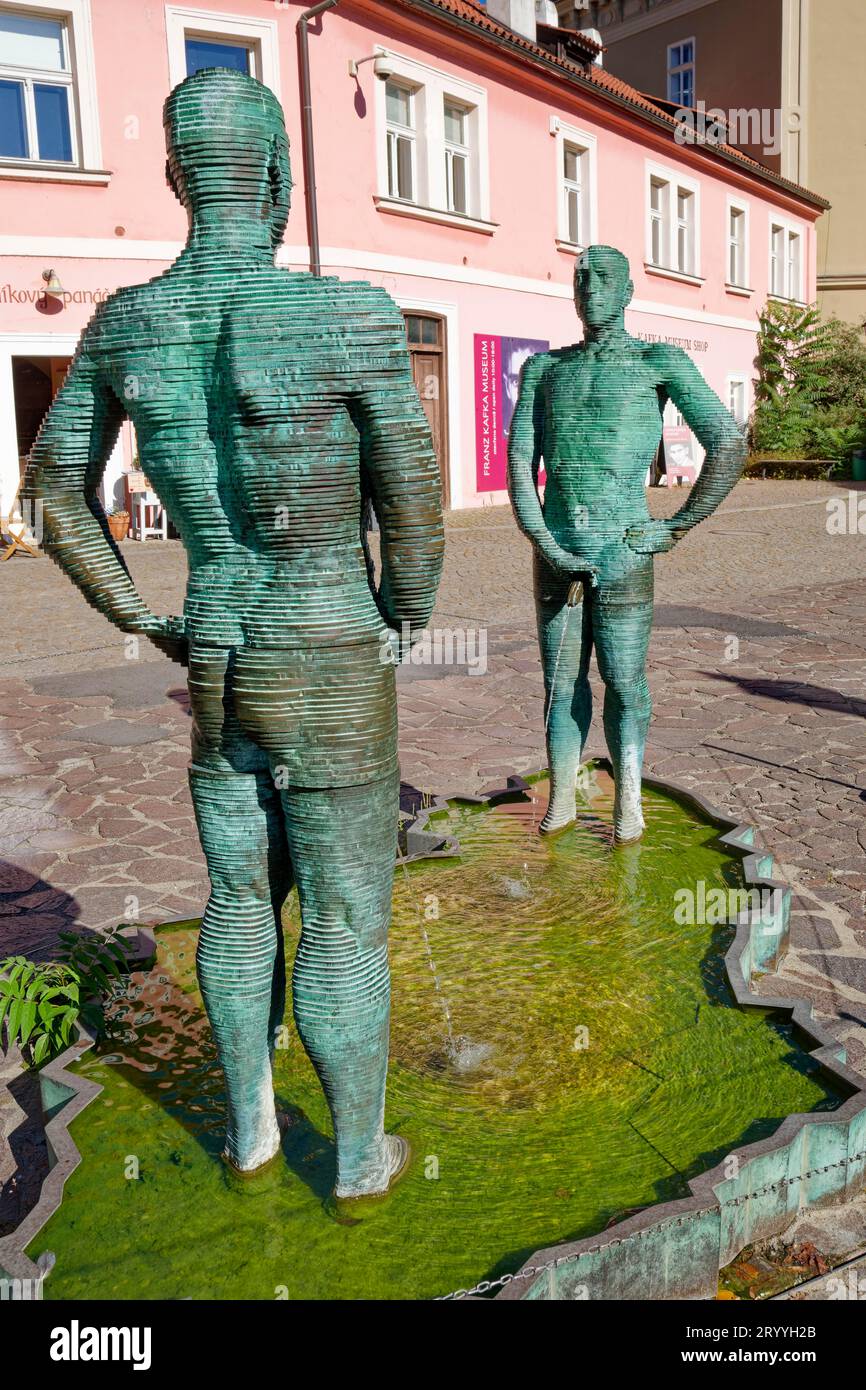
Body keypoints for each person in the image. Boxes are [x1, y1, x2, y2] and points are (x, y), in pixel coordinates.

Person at [24, 69, 444, 1198]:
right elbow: (411, 492)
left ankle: (252, 1129)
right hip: (326, 640)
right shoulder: (347, 314)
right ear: (279, 179)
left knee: (237, 900)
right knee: (347, 921)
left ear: (171, 178)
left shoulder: (127, 326)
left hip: (215, 642)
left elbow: (52, 493)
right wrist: (407, 610)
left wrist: (143, 617)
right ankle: (357, 1159)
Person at [507, 245, 744, 842]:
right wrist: (541, 536)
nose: (591, 287)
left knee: (625, 678)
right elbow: (518, 462)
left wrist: (674, 526)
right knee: (561, 683)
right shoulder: (544, 369)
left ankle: (628, 798)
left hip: (623, 550)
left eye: (605, 277)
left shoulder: (656, 361)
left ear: (629, 290)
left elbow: (727, 442)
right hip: (556, 548)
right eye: (581, 277)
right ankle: (563, 794)